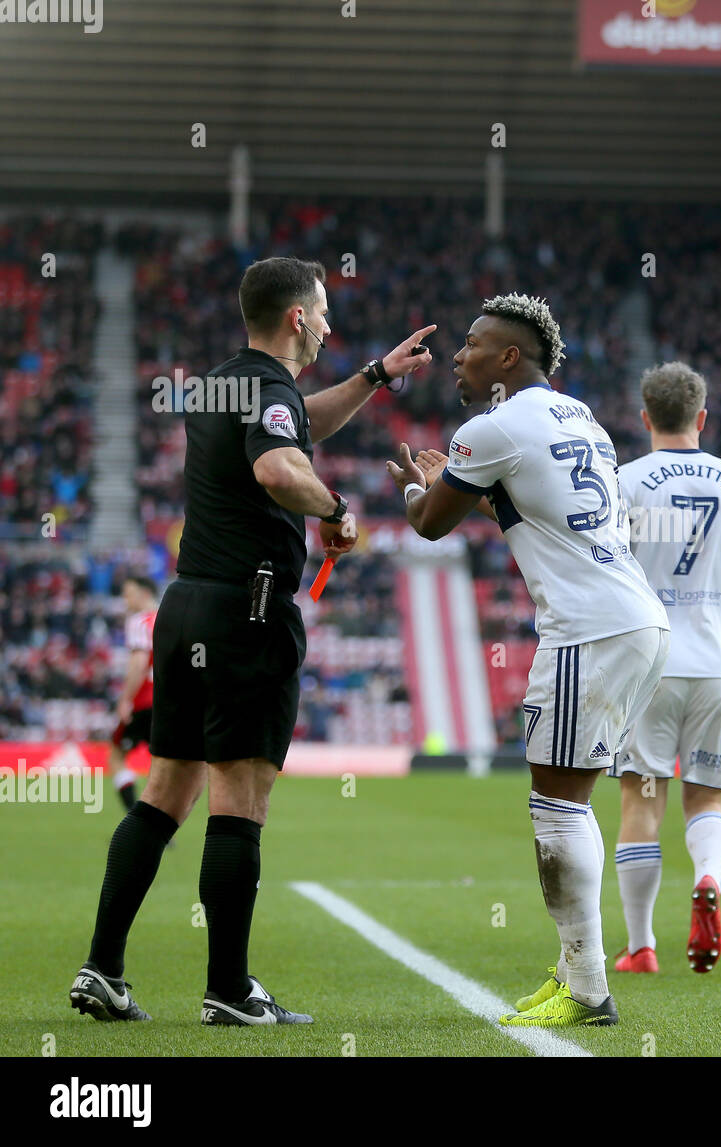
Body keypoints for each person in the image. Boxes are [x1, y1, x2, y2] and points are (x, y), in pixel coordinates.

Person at [70, 256, 431, 1025]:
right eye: (325, 310)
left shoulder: (222, 385)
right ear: (297, 317)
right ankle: (230, 990)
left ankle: (102, 968)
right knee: (240, 797)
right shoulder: (268, 394)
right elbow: (277, 463)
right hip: (249, 611)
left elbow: (298, 422)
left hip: (187, 607)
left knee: (166, 792)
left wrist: (375, 374)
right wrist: (335, 507)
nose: (330, 322)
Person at [389, 293, 669, 1027]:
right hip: (633, 617)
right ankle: (581, 974)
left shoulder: (490, 426)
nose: (459, 354)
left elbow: (428, 524)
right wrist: (458, 485)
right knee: (566, 796)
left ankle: (588, 989)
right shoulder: (584, 421)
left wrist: (418, 486)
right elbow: (528, 507)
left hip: (587, 627)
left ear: (510, 358)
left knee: (556, 806)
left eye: (474, 343)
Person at [605, 362, 721, 975]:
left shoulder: (624, 481)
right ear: (702, 418)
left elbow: (605, 574)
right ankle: (707, 877)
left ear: (646, 417)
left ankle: (640, 946)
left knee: (642, 801)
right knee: (709, 800)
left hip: (648, 664)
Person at [106, 575, 158, 813]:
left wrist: (125, 700)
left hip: (145, 700)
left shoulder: (140, 621)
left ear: (145, 594)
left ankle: (135, 822)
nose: (125, 599)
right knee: (161, 765)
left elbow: (139, 664)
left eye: (129, 594)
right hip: (172, 702)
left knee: (117, 756)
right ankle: (160, 829)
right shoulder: (173, 619)